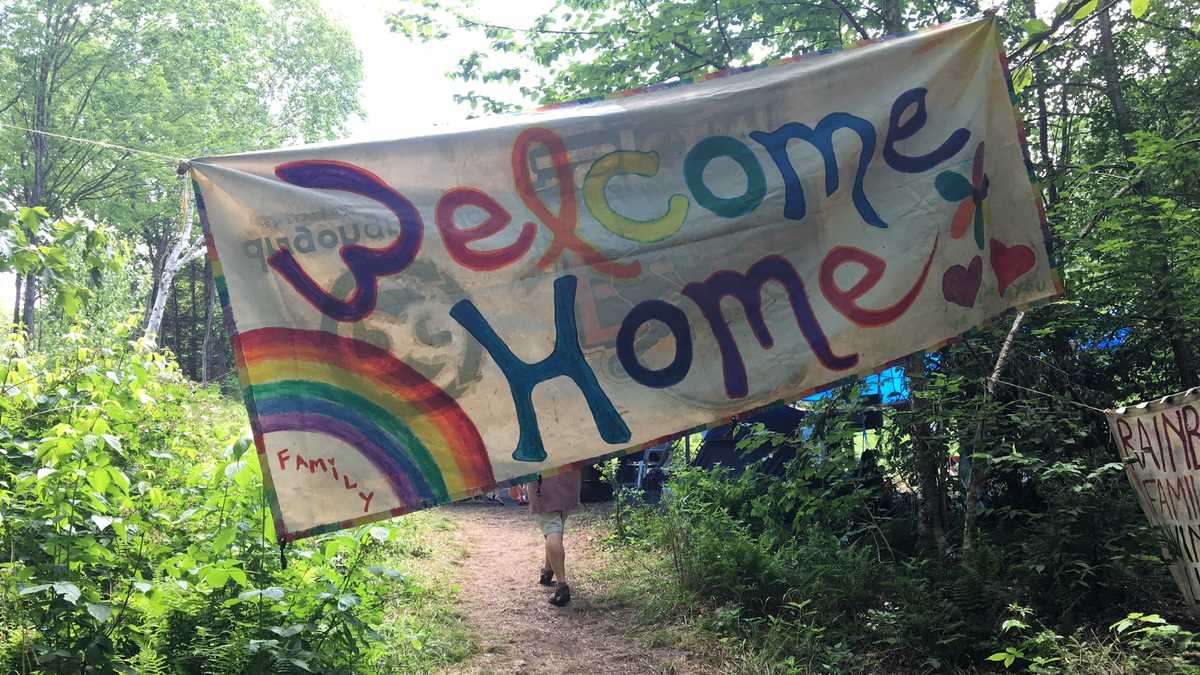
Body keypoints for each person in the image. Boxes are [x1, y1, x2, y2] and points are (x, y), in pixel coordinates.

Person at [528, 469, 581, 607]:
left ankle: (562, 587)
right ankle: (547, 571)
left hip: (543, 480)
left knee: (552, 529)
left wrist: (515, 481)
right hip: (570, 476)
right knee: (556, 527)